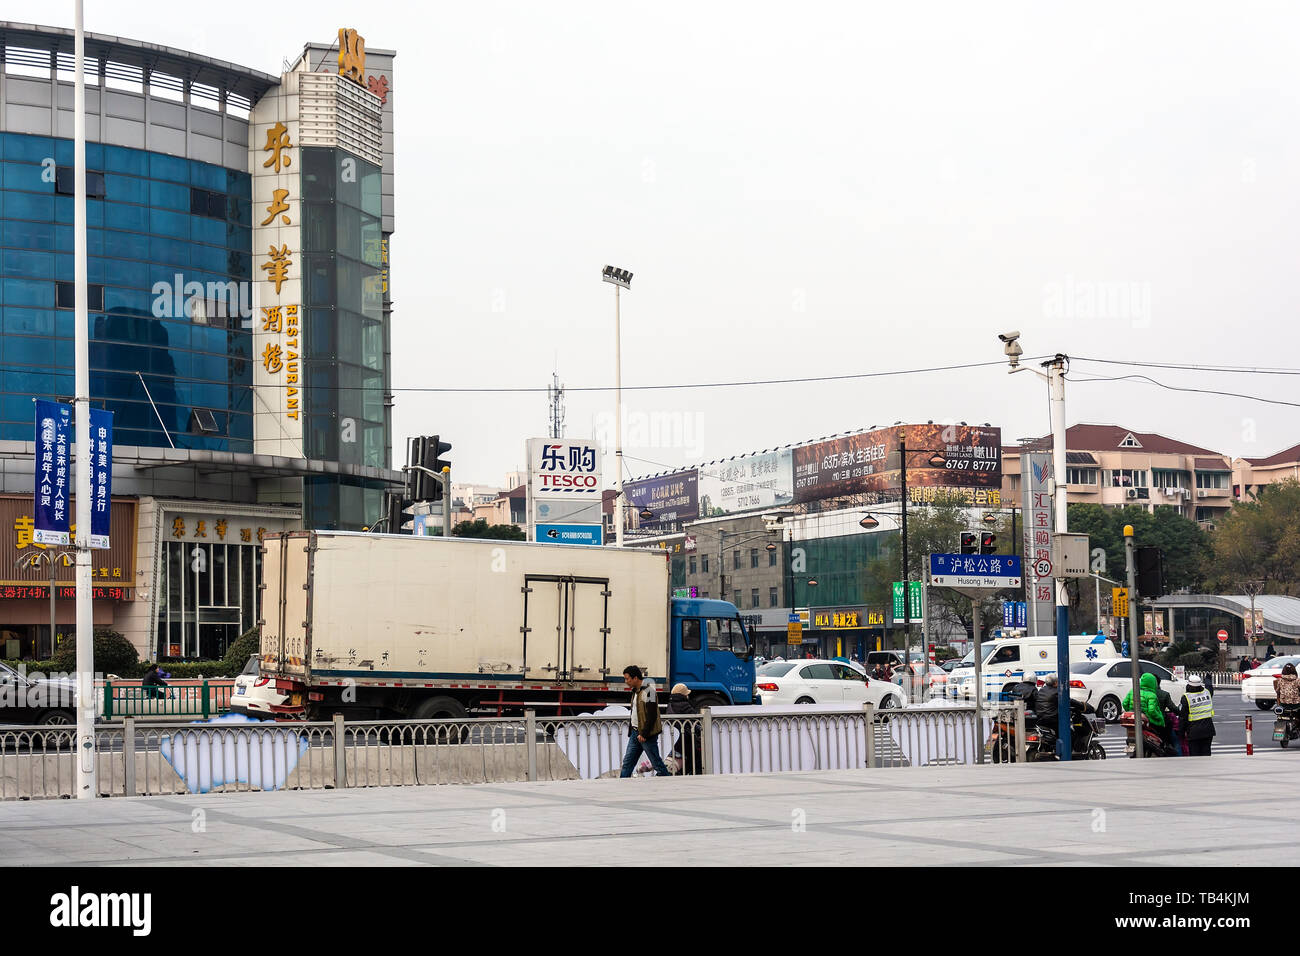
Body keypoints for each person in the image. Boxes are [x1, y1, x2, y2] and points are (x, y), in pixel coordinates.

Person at [619, 665, 670, 778]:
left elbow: (652, 715)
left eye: (627, 678)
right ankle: (622, 785)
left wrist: (644, 733)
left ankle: (668, 781)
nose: (626, 681)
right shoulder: (635, 692)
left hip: (647, 734)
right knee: (627, 763)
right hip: (635, 733)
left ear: (635, 678)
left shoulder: (649, 691)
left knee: (657, 764)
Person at [1123, 672, 1171, 753]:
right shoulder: (1151, 695)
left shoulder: (1132, 691)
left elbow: (1124, 703)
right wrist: (1159, 718)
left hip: (1134, 720)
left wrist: (1131, 711)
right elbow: (1152, 711)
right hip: (1148, 721)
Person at [665, 682, 701, 775]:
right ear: (683, 694)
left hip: (676, 737)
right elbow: (695, 719)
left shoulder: (670, 704)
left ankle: (682, 772)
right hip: (687, 737)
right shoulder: (684, 704)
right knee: (696, 756)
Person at [1178, 673, 1216, 756]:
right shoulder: (1207, 693)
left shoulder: (1186, 698)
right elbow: (1209, 686)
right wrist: (1208, 678)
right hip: (1208, 730)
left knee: (1195, 756)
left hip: (1193, 732)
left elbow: (1182, 717)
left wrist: (1181, 733)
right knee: (1206, 753)